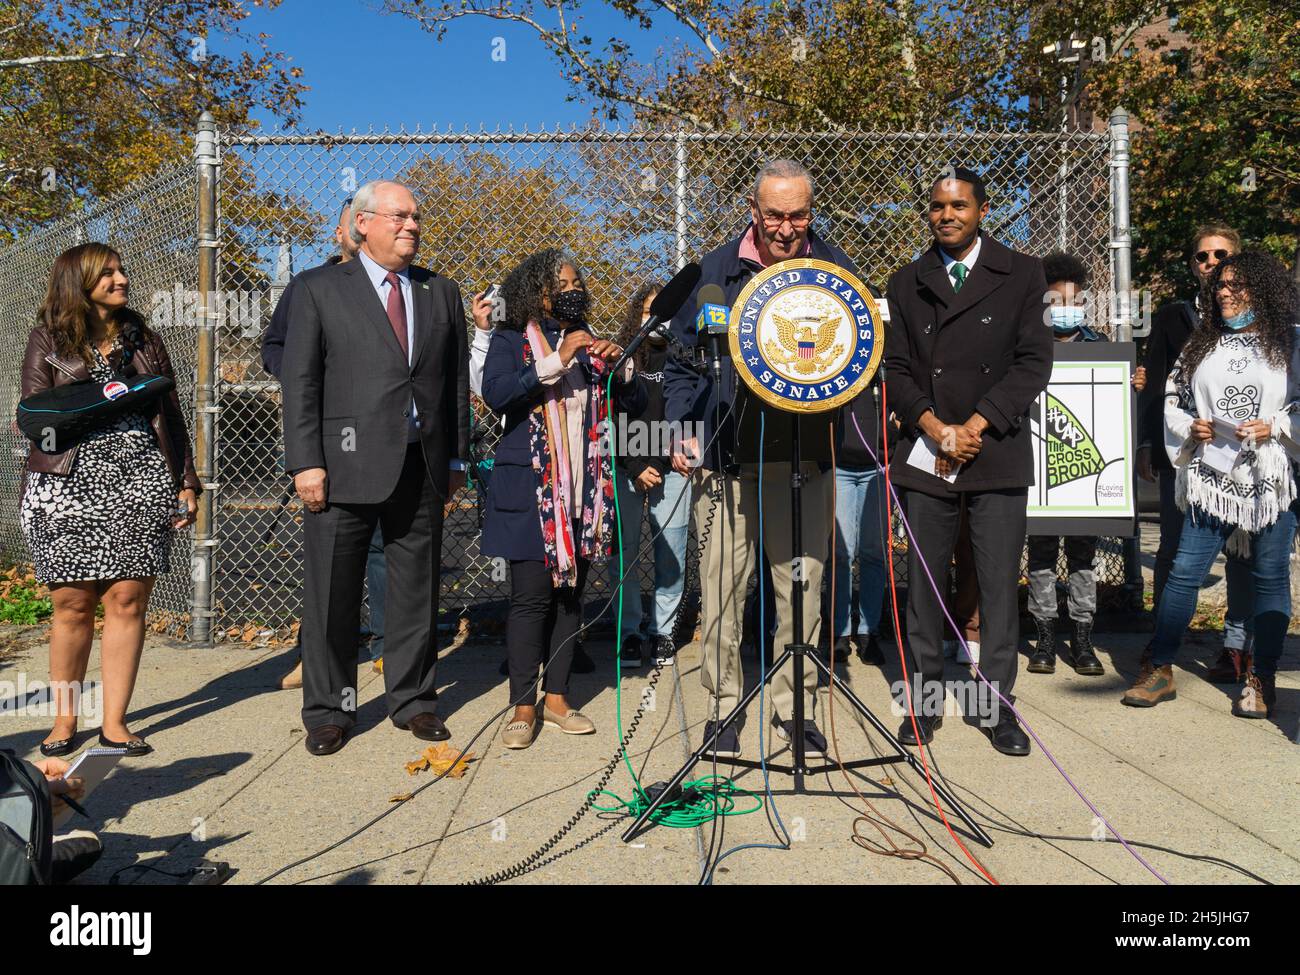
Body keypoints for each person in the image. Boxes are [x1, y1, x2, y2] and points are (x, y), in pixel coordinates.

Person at [665, 158, 861, 760]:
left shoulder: (836, 270)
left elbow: (860, 355)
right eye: (773, 214)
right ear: (753, 211)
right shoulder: (714, 274)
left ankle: (794, 709)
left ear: (811, 212)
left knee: (801, 592)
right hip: (727, 460)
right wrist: (677, 428)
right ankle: (722, 711)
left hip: (803, 461)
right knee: (723, 592)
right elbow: (679, 362)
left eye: (797, 214)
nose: (785, 226)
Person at [281, 179, 470, 756]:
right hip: (341, 468)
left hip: (421, 467)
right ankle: (330, 710)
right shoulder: (316, 290)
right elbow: (301, 381)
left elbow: (454, 383)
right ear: (362, 223)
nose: (412, 225)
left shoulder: (441, 293)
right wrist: (306, 462)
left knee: (416, 592)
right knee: (333, 595)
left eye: (415, 216)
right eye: (399, 216)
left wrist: (457, 455)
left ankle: (413, 700)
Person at [884, 166, 1052, 757]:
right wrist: (934, 428)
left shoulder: (1022, 273)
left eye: (958, 206)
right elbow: (897, 369)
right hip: (928, 452)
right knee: (925, 586)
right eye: (937, 206)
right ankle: (923, 705)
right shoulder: (907, 282)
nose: (946, 215)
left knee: (999, 584)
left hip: (994, 449)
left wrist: (975, 426)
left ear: (982, 210)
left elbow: (1033, 363)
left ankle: (996, 707)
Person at [20, 243, 200, 758]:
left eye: (122, 270)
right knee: (72, 605)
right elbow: (35, 416)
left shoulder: (144, 338)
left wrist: (184, 479)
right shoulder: (47, 339)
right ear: (80, 283)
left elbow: (170, 412)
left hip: (141, 478)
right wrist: (104, 400)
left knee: (127, 599)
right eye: (109, 273)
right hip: (65, 484)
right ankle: (63, 721)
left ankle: (116, 723)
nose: (122, 279)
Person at [1123, 252, 1300, 718]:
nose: (1224, 291)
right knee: (1184, 572)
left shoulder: (1291, 342)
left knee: (1269, 577)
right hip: (1211, 479)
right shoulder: (1200, 344)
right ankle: (1159, 667)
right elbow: (1174, 398)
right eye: (1219, 284)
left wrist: (1277, 426)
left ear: (1261, 290)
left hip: (1271, 481)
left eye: (1235, 283)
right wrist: (1189, 428)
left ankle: (1261, 678)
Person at [480, 249, 644, 750]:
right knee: (531, 598)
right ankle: (523, 705)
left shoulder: (590, 340)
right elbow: (499, 394)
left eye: (576, 281)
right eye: (560, 284)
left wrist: (621, 369)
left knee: (571, 597)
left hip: (581, 492)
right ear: (536, 291)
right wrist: (560, 359)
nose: (571, 290)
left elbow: (623, 407)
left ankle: (557, 699)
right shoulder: (511, 339)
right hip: (533, 492)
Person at [262, 197, 389, 689]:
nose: (358, 238)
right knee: (330, 560)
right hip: (330, 438)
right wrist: (300, 374)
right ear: (343, 231)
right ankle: (316, 658)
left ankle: (384, 646)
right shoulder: (310, 286)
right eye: (350, 228)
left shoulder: (400, 288)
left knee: (383, 551)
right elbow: (274, 346)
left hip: (387, 440)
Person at [1137, 223, 1255, 684]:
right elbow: (1158, 384)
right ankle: (1163, 643)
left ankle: (1236, 645)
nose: (1212, 263)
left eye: (1221, 254)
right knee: (1174, 552)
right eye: (1203, 257)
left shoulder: (1261, 319)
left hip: (1244, 458)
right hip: (1184, 451)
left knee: (1242, 553)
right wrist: (1148, 442)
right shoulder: (1175, 317)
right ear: (1193, 265)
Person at [1025, 252, 1146, 677]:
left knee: (1082, 559)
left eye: (1074, 301)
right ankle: (1043, 637)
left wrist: (1132, 383)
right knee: (1040, 555)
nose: (1065, 310)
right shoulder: (1026, 349)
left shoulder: (1101, 348)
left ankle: (1082, 638)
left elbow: (1116, 411)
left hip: (1085, 480)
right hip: (1040, 475)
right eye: (1055, 302)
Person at [609, 281, 692, 667]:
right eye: (648, 311)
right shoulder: (622, 358)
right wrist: (635, 465)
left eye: (665, 311)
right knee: (623, 556)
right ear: (637, 317)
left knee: (670, 553)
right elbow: (609, 419)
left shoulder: (687, 358)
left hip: (670, 469)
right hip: (628, 467)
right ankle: (628, 633)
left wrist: (659, 462)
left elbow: (688, 415)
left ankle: (662, 632)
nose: (657, 319)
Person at [831, 380, 888, 666]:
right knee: (841, 554)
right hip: (839, 464)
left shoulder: (885, 354)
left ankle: (868, 632)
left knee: (873, 551)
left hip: (878, 465)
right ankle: (839, 633)